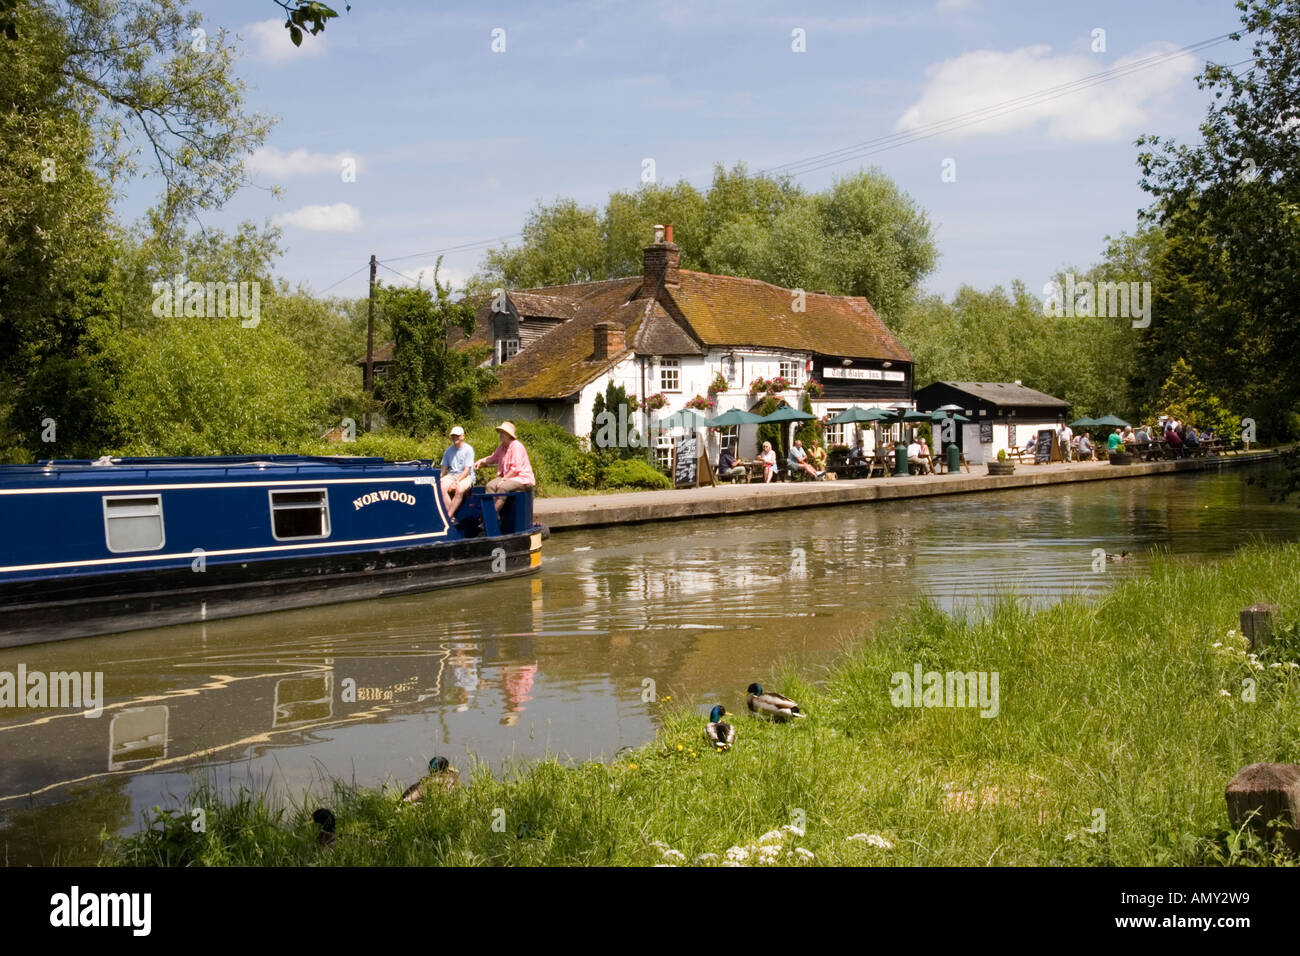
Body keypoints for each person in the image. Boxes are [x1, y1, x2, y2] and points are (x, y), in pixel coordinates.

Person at [474, 421, 535, 515]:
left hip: (523, 478)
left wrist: (504, 480)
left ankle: (491, 516)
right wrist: (480, 461)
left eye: (503, 432)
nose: (500, 434)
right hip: (508, 476)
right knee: (490, 485)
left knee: (503, 487)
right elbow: (492, 458)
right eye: (500, 432)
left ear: (509, 435)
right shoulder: (502, 446)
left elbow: (516, 469)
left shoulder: (516, 446)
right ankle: (490, 514)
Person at [439, 426, 475, 519]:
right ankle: (452, 518)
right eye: (453, 436)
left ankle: (448, 516)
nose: (455, 438)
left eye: (457, 436)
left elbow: (467, 471)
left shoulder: (469, 449)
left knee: (459, 489)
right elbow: (443, 469)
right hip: (452, 475)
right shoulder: (448, 450)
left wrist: (456, 482)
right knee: (440, 487)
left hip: (467, 476)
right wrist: (437, 479)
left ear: (463, 436)